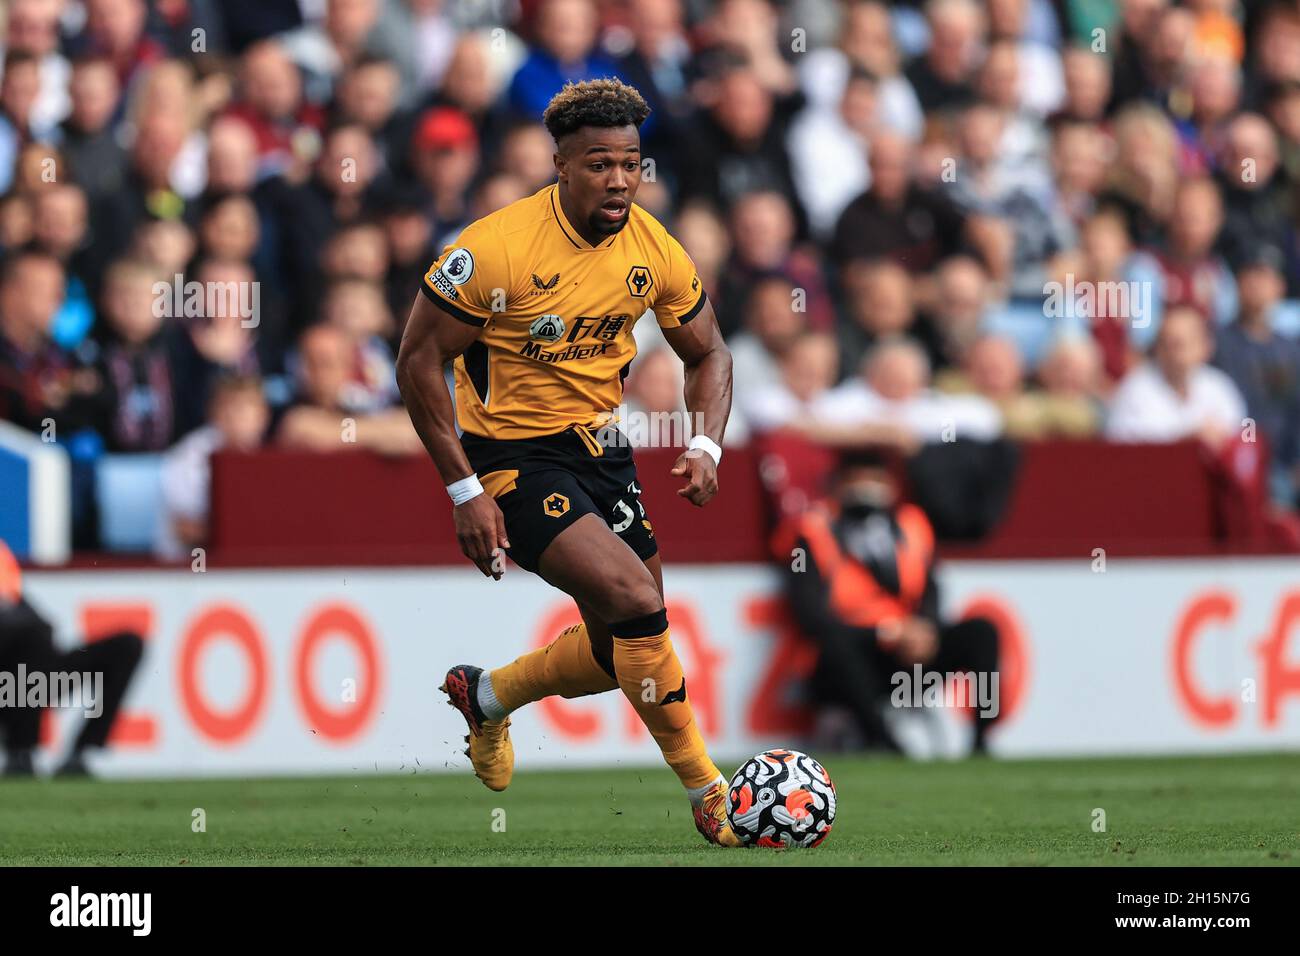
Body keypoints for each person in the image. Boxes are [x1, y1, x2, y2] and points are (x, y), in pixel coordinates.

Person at [396, 79, 740, 846]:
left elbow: (709, 350)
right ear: (560, 164)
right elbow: (418, 361)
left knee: (628, 637)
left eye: (630, 164)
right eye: (598, 164)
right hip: (508, 455)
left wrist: (705, 441)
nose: (618, 180)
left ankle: (488, 694)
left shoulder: (654, 250)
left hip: (602, 450)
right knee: (632, 597)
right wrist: (463, 489)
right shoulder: (493, 249)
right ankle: (708, 789)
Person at [774, 448, 1001, 753]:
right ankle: (886, 744)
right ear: (838, 485)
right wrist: (887, 632)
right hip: (851, 658)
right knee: (837, 647)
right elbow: (811, 615)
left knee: (982, 632)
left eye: (874, 478)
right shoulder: (813, 530)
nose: (865, 487)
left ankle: (981, 741)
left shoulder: (912, 523)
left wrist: (925, 629)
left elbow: (930, 589)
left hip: (908, 654)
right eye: (856, 479)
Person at [0, 539, 144, 777]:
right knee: (29, 636)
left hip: (31, 676)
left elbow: (15, 605)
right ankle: (20, 751)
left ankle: (80, 754)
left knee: (127, 645)